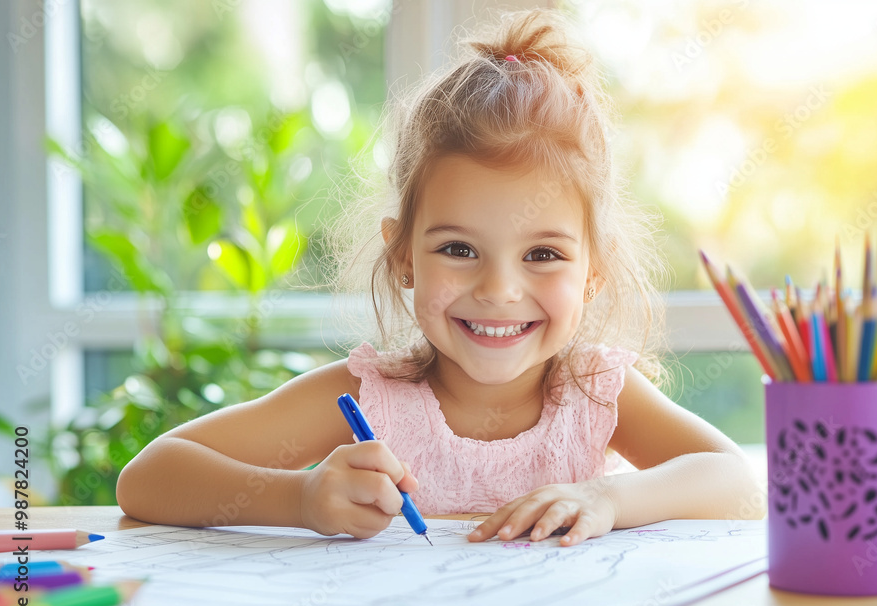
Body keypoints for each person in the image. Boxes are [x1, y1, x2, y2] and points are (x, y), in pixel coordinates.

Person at [117, 8, 763, 547]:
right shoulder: (368, 396)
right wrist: (302, 496)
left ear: (594, 270)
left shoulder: (595, 393)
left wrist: (608, 496)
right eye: (458, 248)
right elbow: (148, 478)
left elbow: (738, 484)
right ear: (402, 255)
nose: (499, 290)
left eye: (542, 254)